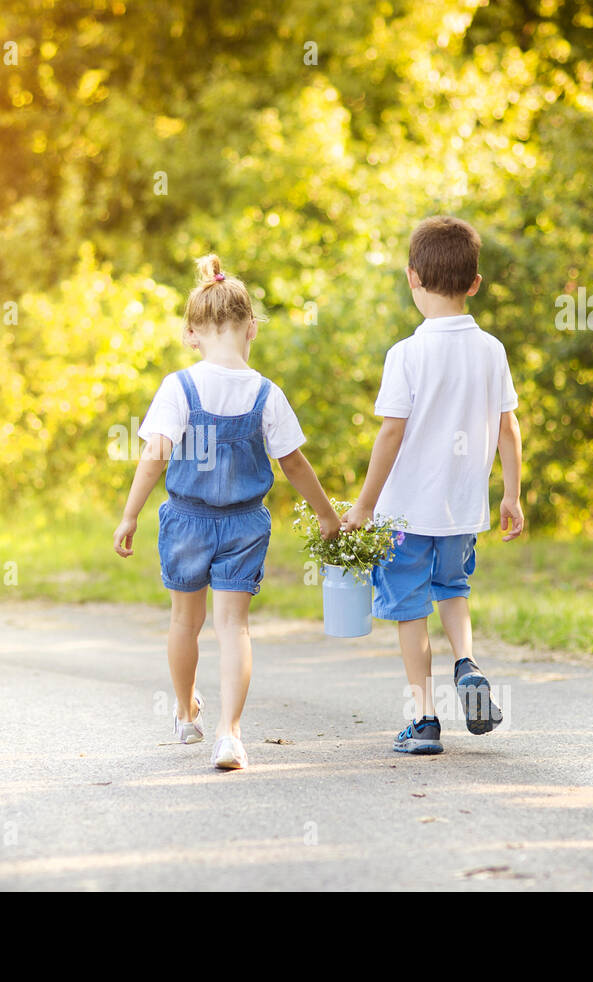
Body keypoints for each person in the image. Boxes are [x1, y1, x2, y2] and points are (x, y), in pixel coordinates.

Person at [114, 254, 340, 770]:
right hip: (243, 523)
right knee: (233, 627)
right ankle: (230, 734)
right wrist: (327, 515)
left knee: (183, 621)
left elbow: (155, 454)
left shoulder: (179, 386)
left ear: (191, 334)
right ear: (251, 329)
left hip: (186, 520)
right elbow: (294, 464)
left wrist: (129, 515)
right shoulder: (267, 393)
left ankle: (185, 712)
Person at [341, 217, 525, 755]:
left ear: (412, 277)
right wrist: (511, 495)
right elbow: (507, 428)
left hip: (404, 513)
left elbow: (391, 434)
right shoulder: (492, 350)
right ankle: (466, 662)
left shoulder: (407, 353)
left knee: (407, 609)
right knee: (453, 589)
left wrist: (364, 506)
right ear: (475, 283)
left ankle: (423, 720)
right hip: (462, 510)